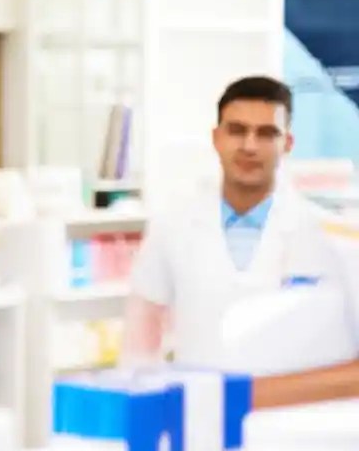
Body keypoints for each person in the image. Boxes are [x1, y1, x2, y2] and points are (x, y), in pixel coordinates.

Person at [126, 75, 359, 408]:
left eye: (267, 134)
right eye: (237, 130)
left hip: (292, 424)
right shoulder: (172, 225)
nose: (250, 146)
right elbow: (138, 342)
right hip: (199, 421)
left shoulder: (329, 235)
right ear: (216, 138)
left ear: (288, 144)